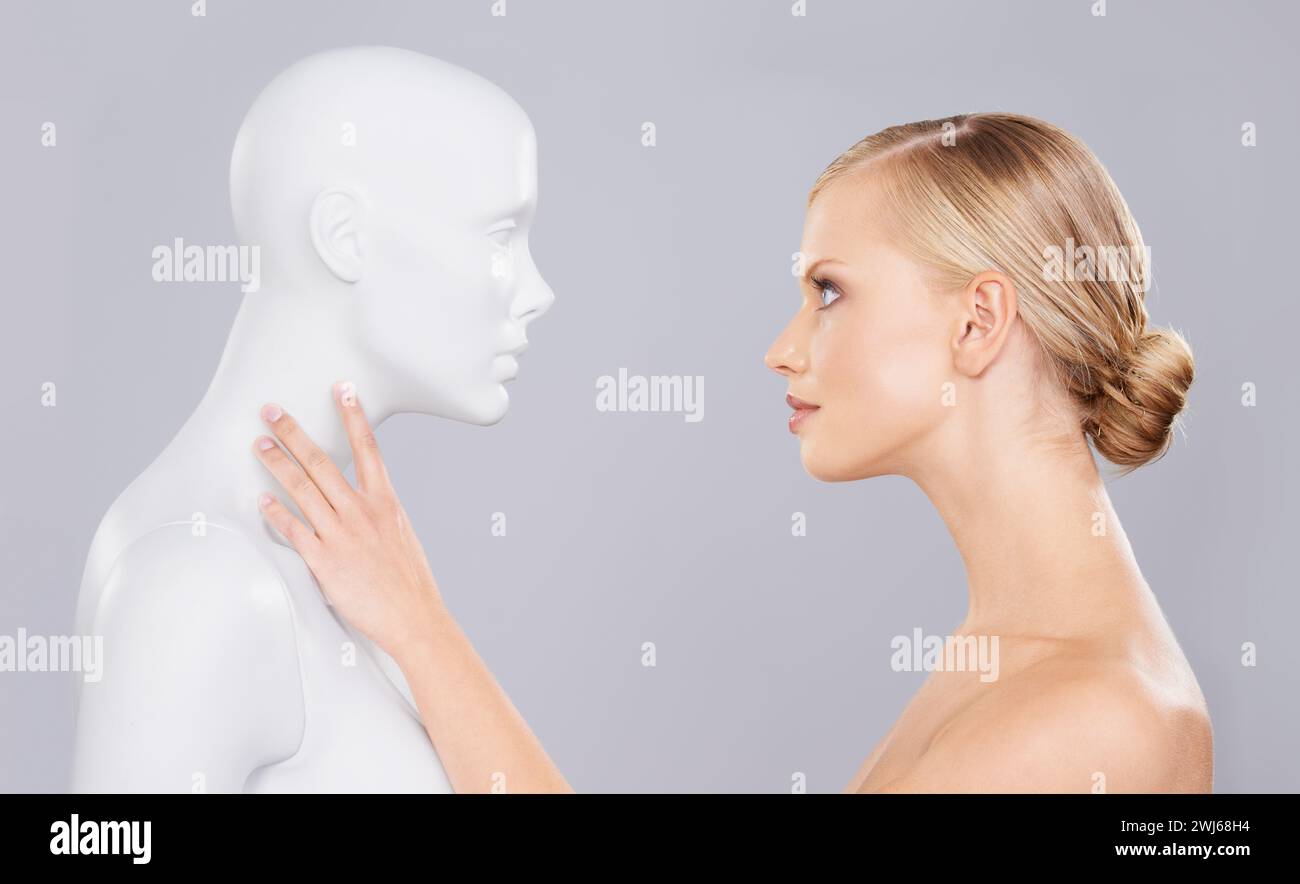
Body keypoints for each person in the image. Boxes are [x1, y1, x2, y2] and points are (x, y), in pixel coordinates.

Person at [257, 113, 1212, 793]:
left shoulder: (1089, 717)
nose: (782, 349)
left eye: (829, 291)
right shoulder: (1020, 655)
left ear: (978, 321)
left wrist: (420, 629)